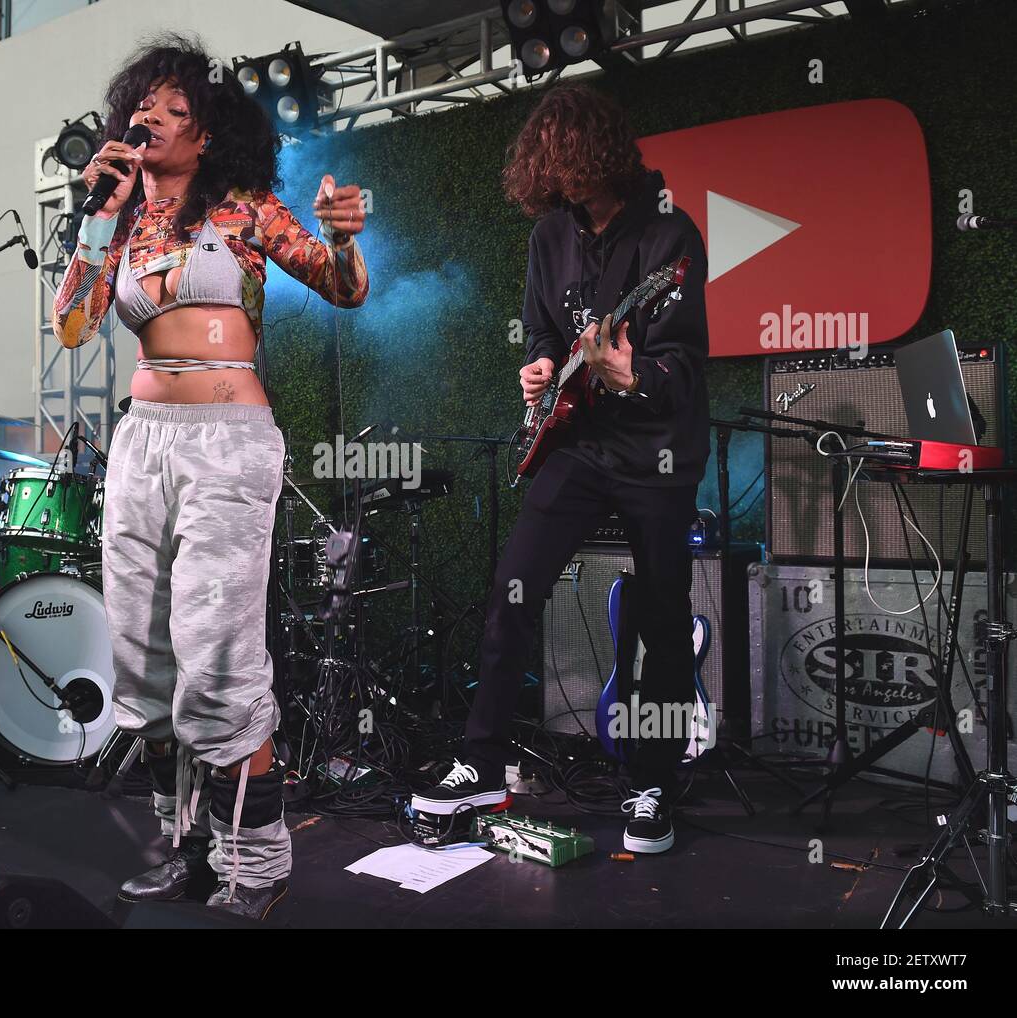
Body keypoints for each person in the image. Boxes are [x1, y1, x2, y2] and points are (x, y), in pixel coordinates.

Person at [52, 35, 368, 919]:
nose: (150, 118)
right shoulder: (118, 220)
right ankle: (183, 843)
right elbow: (73, 327)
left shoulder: (245, 209)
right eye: (141, 106)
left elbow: (340, 286)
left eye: (173, 107)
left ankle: (256, 863)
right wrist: (95, 215)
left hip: (227, 439)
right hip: (141, 440)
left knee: (217, 652)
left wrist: (345, 241)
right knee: (142, 661)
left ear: (207, 134)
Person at [411, 83, 710, 854]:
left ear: (599, 155)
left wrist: (631, 373)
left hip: (657, 451)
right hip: (575, 443)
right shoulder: (551, 235)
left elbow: (683, 361)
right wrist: (541, 367)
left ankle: (652, 782)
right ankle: (480, 765)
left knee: (663, 621)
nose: (561, 183)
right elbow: (542, 328)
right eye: (548, 170)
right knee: (514, 591)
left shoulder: (670, 236)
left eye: (570, 167)